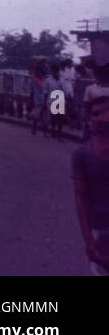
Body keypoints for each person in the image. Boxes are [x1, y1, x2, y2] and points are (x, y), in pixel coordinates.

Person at [72, 95, 109, 276]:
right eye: (96, 114)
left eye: (106, 113)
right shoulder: (82, 154)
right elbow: (81, 198)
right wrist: (88, 240)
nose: (102, 118)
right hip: (99, 229)